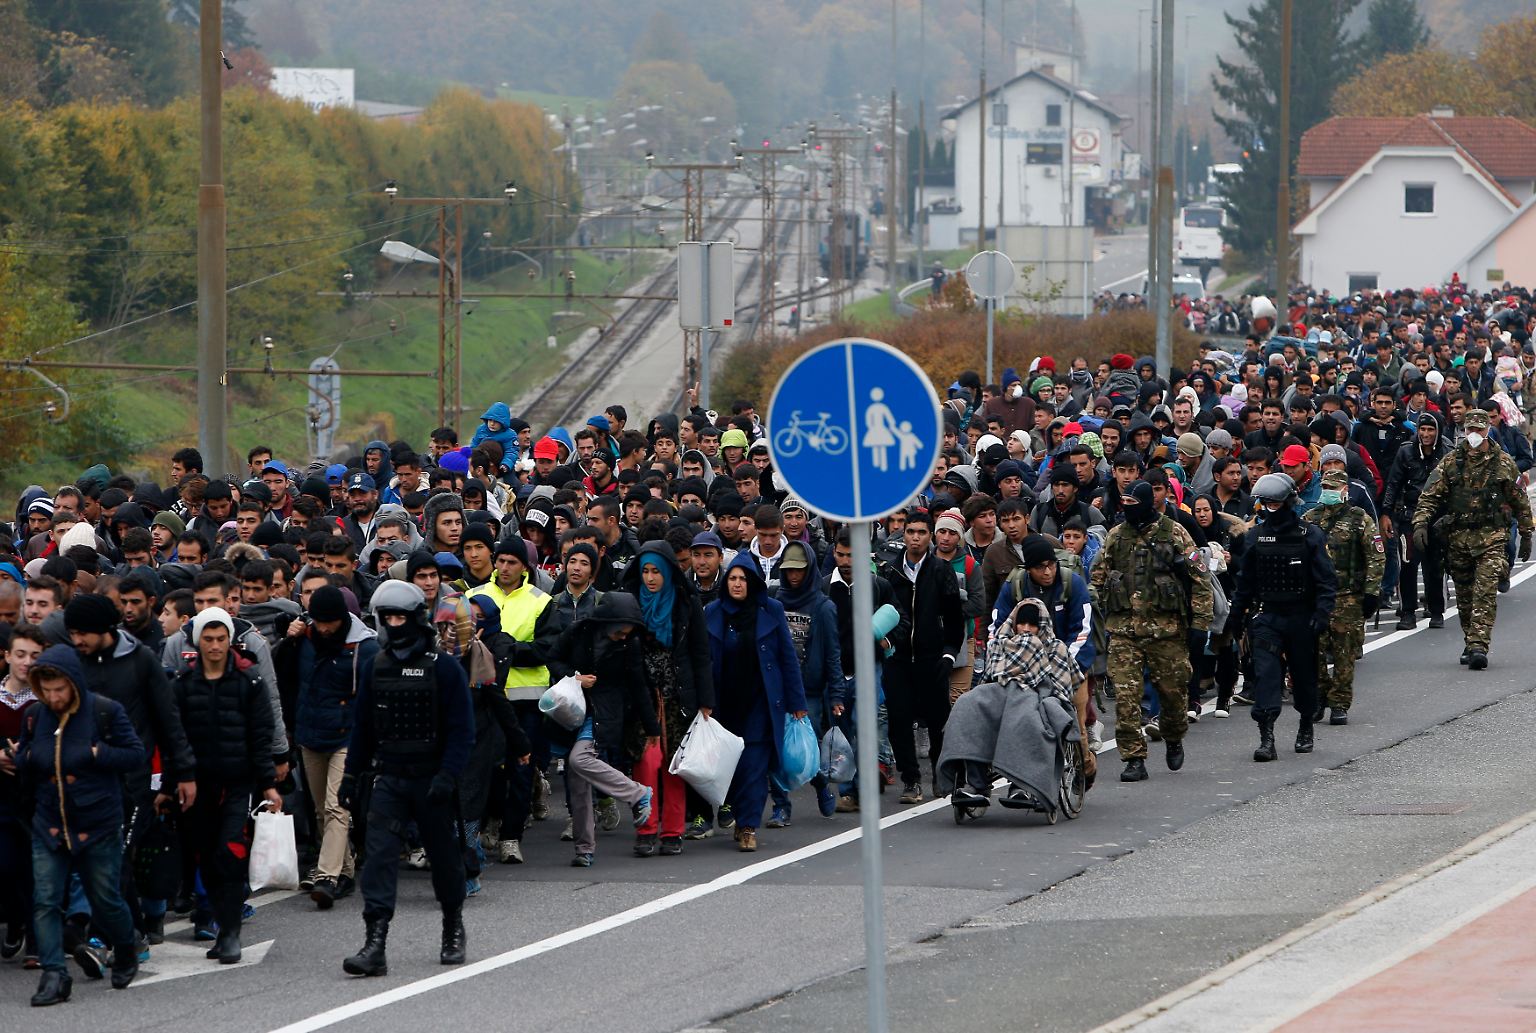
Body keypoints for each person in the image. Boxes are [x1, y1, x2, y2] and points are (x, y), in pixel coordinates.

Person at [338, 581, 474, 976]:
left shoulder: (443, 667)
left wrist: (448, 775)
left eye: (401, 617)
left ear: (416, 619)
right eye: (388, 618)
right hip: (390, 778)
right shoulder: (374, 667)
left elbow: (462, 730)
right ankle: (374, 943)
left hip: (431, 780)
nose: (394, 625)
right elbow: (362, 728)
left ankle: (452, 925)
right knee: (379, 859)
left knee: (444, 859)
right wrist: (350, 777)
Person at [14, 644, 145, 1005]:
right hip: (49, 824)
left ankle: (125, 946)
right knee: (45, 900)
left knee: (106, 900)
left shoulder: (105, 711)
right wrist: (21, 758)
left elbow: (134, 754)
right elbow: (27, 754)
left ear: (73, 684)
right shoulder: (34, 716)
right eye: (47, 690)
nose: (54, 698)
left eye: (60, 689)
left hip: (97, 822)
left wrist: (96, 753)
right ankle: (54, 974)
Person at [166, 606, 282, 964]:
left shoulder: (249, 682)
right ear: (198, 641)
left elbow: (260, 736)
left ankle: (230, 931)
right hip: (196, 786)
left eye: (221, 639)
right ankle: (215, 920)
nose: (215, 646)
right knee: (206, 859)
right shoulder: (183, 685)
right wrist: (173, 783)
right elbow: (175, 738)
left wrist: (268, 784)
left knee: (229, 854)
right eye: (208, 639)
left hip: (236, 785)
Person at [1089, 480, 1214, 782]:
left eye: (1134, 503)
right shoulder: (1116, 537)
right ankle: (1133, 757)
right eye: (1125, 502)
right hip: (1124, 632)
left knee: (1173, 694)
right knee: (1126, 697)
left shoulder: (1174, 533)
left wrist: (1200, 624)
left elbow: (1200, 581)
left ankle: (1173, 736)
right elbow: (1097, 578)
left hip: (1167, 631)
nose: (1128, 508)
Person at [278, 583, 379, 909]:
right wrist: (289, 640)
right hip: (310, 734)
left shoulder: (365, 648)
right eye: (317, 621)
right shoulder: (304, 639)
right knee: (322, 810)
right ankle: (345, 871)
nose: (323, 628)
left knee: (338, 806)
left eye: (329, 622)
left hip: (346, 736)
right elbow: (282, 676)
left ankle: (326, 876)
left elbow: (372, 697)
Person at [1411, 407, 1535, 669]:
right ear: (1464, 431)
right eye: (1471, 430)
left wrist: (1526, 533)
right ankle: (1470, 640)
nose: (1475, 434)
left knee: (1485, 592)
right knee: (1465, 595)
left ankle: (1479, 645)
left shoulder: (1502, 462)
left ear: (1488, 430)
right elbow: (1430, 495)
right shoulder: (1451, 462)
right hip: (1459, 538)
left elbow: (1519, 500)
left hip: (1492, 537)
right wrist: (1420, 523)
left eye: (1480, 429)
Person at [1230, 474, 1337, 761]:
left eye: (1274, 502)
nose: (1269, 507)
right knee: (1265, 676)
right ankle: (1267, 736)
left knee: (1303, 677)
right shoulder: (1255, 537)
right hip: (1268, 617)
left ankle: (1305, 725)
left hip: (1302, 617)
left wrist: (1322, 613)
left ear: (1288, 502)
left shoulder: (1310, 536)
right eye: (1264, 503)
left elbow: (1326, 580)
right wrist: (1236, 617)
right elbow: (1245, 583)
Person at [546, 592, 657, 866]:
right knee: (577, 781)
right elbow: (552, 658)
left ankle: (638, 793)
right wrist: (575, 678)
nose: (623, 637)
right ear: (607, 622)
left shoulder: (630, 644)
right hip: (571, 710)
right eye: (620, 632)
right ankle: (584, 849)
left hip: (604, 713)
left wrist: (651, 726)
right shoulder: (577, 631)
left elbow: (638, 685)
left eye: (627, 633)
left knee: (579, 759)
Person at [706, 554, 807, 852]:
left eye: (743, 579)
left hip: (761, 702)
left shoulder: (771, 610)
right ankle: (738, 815)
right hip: (724, 704)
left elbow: (787, 658)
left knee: (754, 766)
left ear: (753, 582)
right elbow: (702, 660)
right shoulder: (712, 612)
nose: (738, 584)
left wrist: (796, 701)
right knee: (732, 769)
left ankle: (749, 826)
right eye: (733, 578)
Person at [621, 541, 714, 856]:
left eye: (656, 572)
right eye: (645, 571)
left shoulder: (686, 603)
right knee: (645, 764)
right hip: (643, 699)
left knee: (674, 767)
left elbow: (701, 654)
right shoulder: (630, 604)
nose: (650, 578)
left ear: (669, 573)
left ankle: (672, 831)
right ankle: (646, 829)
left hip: (679, 697)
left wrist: (705, 700)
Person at [882, 509, 965, 803]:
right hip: (898, 659)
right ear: (903, 535)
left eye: (921, 532)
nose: (915, 538)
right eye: (910, 532)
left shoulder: (942, 572)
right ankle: (911, 779)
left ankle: (942, 774)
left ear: (930, 537)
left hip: (932, 659)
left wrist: (948, 655)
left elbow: (955, 619)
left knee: (938, 719)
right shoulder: (890, 571)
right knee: (899, 720)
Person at [767, 540, 841, 826]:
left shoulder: (823, 607)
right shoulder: (775, 600)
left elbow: (833, 654)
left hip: (808, 689)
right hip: (775, 685)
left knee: (804, 750)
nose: (794, 575)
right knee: (775, 747)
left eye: (800, 570)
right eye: (789, 570)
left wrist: (836, 696)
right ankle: (781, 806)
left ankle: (820, 783)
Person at [1304, 469, 1384, 725]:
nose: (1328, 491)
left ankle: (1339, 702)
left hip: (1348, 597)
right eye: (1325, 486)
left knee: (1343, 654)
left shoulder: (1360, 519)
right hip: (1316, 597)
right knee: (1312, 651)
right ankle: (1319, 696)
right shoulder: (1310, 519)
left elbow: (1375, 555)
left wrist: (1371, 592)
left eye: (1333, 487)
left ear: (1344, 491)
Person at [1382, 412, 1446, 629]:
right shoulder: (1406, 452)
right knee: (1408, 567)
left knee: (1435, 566)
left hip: (1437, 519)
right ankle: (1407, 612)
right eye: (1422, 429)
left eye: (1431, 429)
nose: (1426, 434)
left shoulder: (1448, 453)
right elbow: (1393, 484)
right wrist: (1386, 514)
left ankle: (1436, 610)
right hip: (1409, 518)